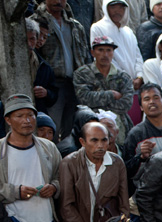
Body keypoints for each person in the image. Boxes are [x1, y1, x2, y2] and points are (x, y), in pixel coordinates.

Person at [0, 95, 61, 222]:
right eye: (20, 116)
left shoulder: (49, 147)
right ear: (8, 120)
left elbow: (62, 176)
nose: (27, 121)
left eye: (30, 115)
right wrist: (15, 192)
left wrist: (54, 187)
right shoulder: (1, 150)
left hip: (47, 221)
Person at [59, 122, 129, 222]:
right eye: (94, 141)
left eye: (104, 140)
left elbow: (123, 203)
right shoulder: (69, 163)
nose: (100, 146)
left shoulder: (117, 163)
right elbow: (66, 206)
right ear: (82, 142)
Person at [36, 0, 91, 144]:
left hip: (74, 84)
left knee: (71, 129)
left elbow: (84, 56)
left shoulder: (75, 25)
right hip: (52, 85)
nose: (57, 1)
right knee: (51, 127)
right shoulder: (36, 22)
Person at [121, 83, 162, 189]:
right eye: (147, 99)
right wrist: (140, 158)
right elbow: (126, 171)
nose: (152, 102)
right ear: (141, 107)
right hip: (149, 195)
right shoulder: (135, 134)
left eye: (156, 97)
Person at [73, 36, 134, 145]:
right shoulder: (82, 74)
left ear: (113, 52)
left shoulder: (123, 76)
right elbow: (84, 99)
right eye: (100, 50)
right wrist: (111, 95)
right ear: (93, 52)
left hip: (119, 121)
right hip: (91, 120)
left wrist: (98, 102)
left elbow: (126, 104)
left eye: (108, 50)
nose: (105, 54)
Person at [91, 0, 144, 93]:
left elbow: (138, 57)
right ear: (106, 8)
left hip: (134, 87)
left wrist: (140, 76)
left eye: (120, 8)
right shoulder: (97, 28)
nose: (117, 11)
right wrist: (125, 78)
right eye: (113, 7)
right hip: (112, 86)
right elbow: (102, 58)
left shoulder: (128, 31)